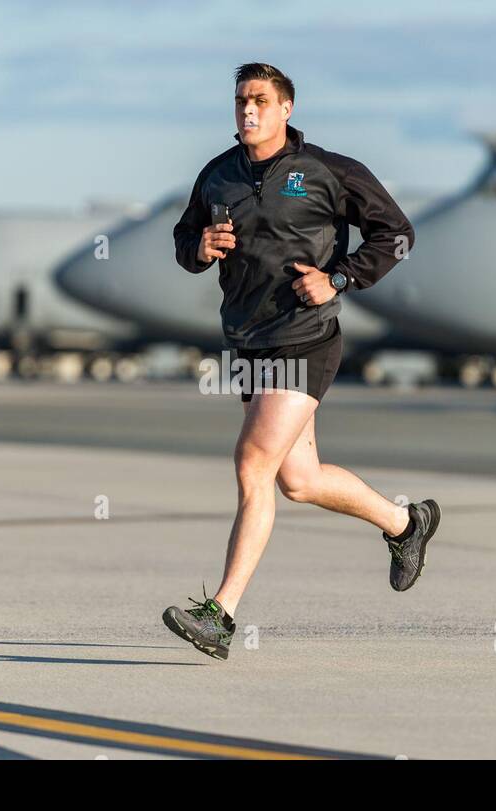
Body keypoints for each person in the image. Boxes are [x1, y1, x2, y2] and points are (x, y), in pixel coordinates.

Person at [164, 62, 440, 660]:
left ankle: (221, 615)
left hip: (304, 336)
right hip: (247, 339)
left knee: (252, 465)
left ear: (286, 108)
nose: (247, 111)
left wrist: (339, 276)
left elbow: (396, 234)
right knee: (299, 481)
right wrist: (201, 248)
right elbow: (185, 242)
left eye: (260, 100)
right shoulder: (217, 175)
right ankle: (405, 523)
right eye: (241, 100)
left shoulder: (327, 172)